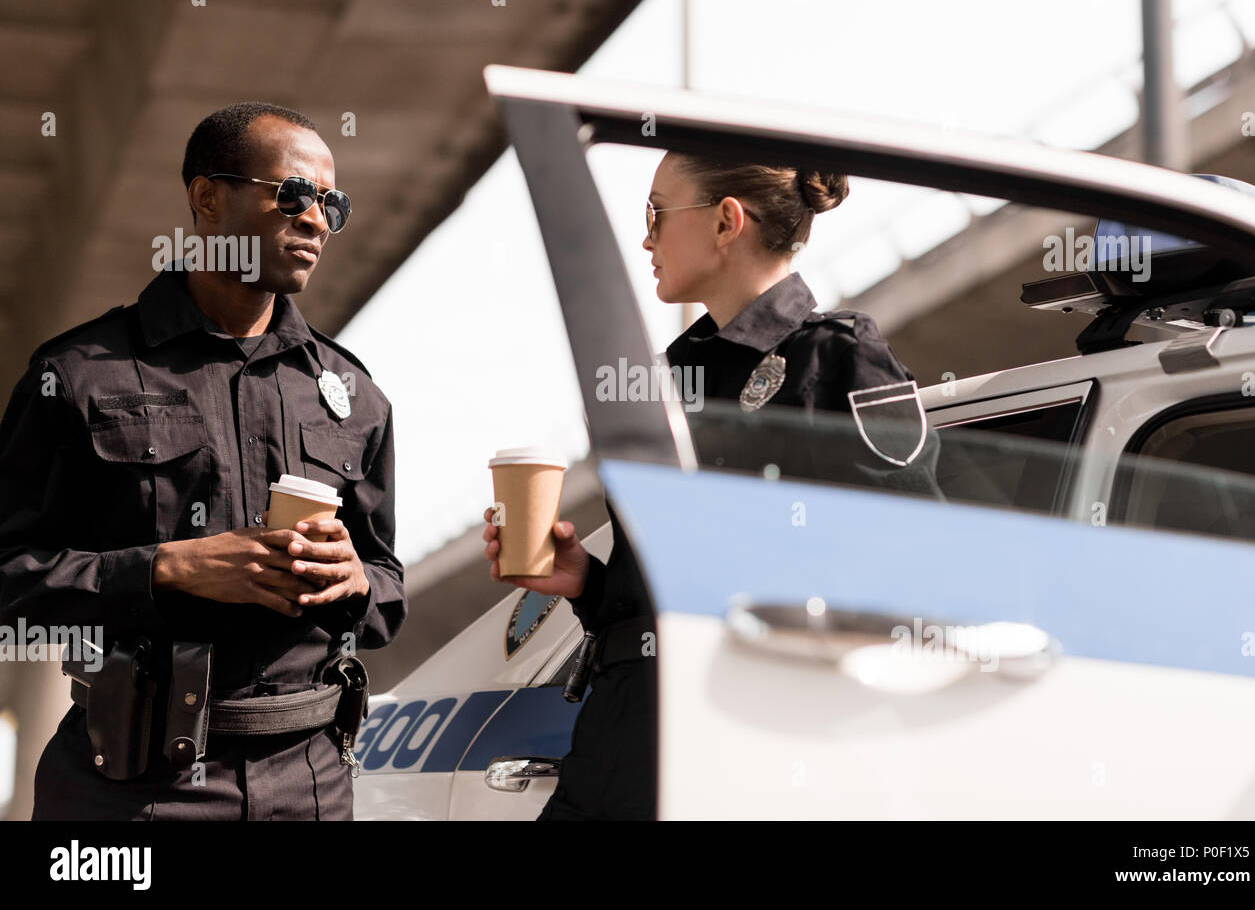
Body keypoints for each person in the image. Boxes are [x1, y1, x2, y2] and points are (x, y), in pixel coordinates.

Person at [482, 152, 926, 819]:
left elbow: (919, 571)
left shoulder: (839, 358)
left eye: (656, 213)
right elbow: (648, 602)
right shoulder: (659, 380)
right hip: (622, 738)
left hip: (747, 751)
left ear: (726, 222)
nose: (646, 237)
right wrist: (585, 580)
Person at [0, 101, 406, 819]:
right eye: (293, 195)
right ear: (208, 198)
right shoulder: (78, 373)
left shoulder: (355, 396)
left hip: (310, 784)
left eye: (331, 203)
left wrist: (355, 582)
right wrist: (165, 569)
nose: (316, 219)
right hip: (129, 787)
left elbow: (386, 592)